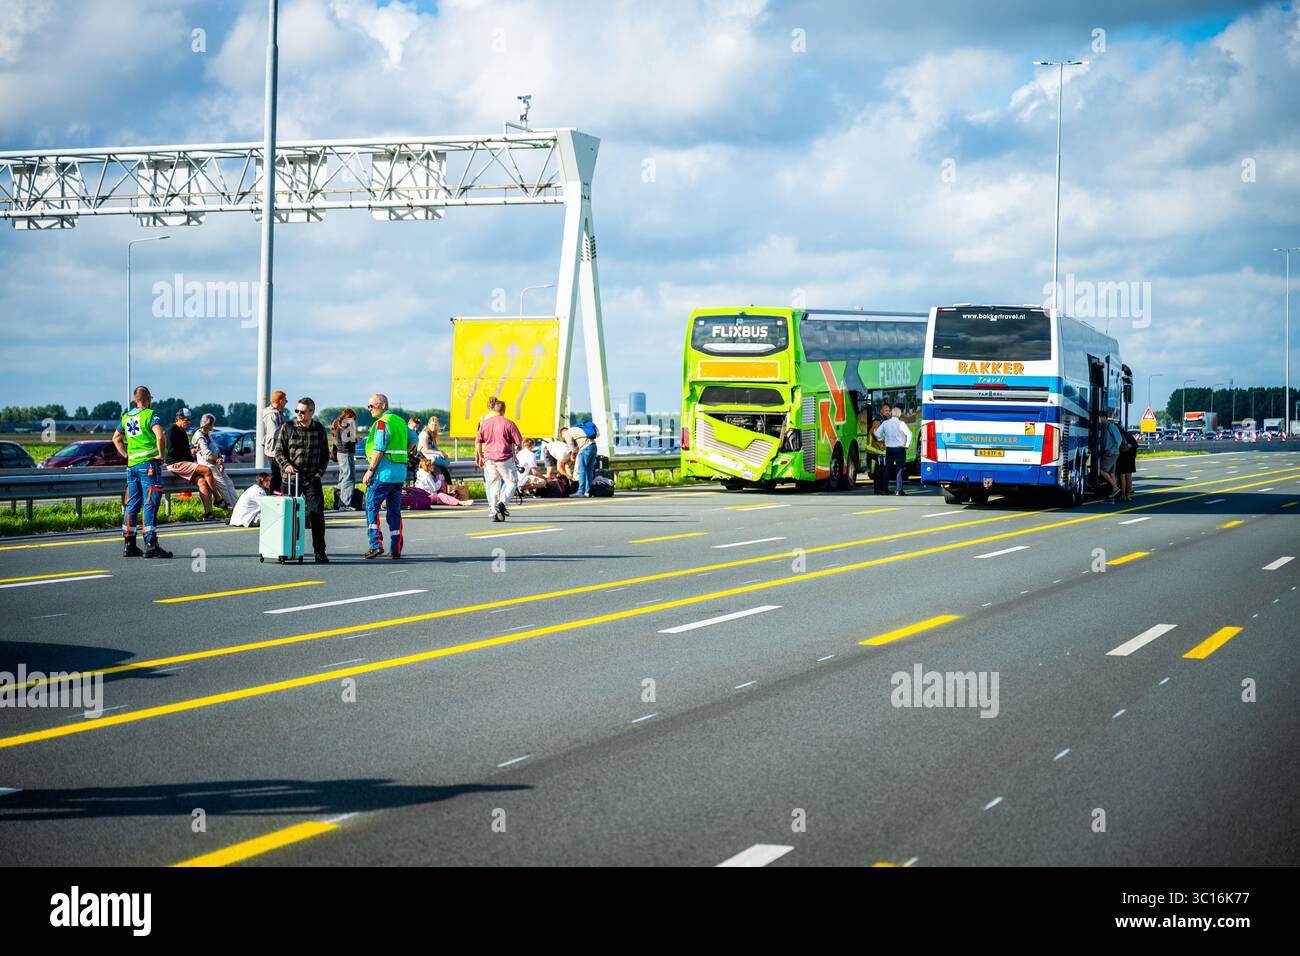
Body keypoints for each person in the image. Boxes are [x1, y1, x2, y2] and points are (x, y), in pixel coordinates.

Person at [112, 385, 172, 558]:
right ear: (148, 398)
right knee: (150, 503)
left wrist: (126, 455)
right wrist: (161, 455)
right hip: (148, 466)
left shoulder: (125, 417)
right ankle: (151, 544)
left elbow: (116, 438)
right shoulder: (150, 415)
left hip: (132, 466)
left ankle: (129, 544)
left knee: (131, 504)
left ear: (135, 399)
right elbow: (160, 436)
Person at [274, 396, 333, 562]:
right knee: (287, 516)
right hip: (291, 478)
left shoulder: (319, 429)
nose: (299, 414)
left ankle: (320, 551)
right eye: (297, 411)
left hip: (311, 478)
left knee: (316, 514)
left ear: (311, 412)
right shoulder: (288, 427)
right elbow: (278, 452)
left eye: (303, 411)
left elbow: (325, 455)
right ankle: (285, 550)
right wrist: (286, 465)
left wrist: (319, 472)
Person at [362, 393, 408, 559]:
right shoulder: (401, 421)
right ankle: (395, 549)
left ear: (382, 406)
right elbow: (414, 439)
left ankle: (375, 544)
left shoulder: (382, 423)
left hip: (383, 474)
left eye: (371, 406)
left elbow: (380, 448)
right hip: (399, 474)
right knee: (394, 512)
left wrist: (371, 470)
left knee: (371, 507)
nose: (369, 410)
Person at [165, 408, 218, 520]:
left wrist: (191, 452)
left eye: (190, 420)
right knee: (207, 470)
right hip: (176, 463)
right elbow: (171, 451)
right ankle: (218, 498)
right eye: (186, 420)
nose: (189, 422)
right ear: (179, 418)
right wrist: (189, 453)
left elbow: (183, 451)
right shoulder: (171, 429)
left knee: (202, 482)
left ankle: (208, 514)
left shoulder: (183, 431)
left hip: (184, 462)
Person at [476, 398, 523, 521]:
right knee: (512, 482)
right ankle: (502, 503)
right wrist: (515, 454)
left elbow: (478, 441)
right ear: (504, 410)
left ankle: (494, 511)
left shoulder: (485, 423)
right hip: (504, 457)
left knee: (494, 483)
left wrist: (480, 456)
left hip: (489, 459)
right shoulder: (509, 423)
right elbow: (518, 442)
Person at [192, 413, 239, 509]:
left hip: (214, 464)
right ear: (208, 424)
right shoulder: (199, 436)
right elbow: (207, 453)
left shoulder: (207, 434)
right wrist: (218, 460)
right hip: (208, 465)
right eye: (212, 424)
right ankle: (232, 507)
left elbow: (215, 448)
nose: (213, 425)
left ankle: (237, 505)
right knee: (222, 485)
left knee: (228, 483)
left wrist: (220, 458)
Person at [874, 406, 912, 496]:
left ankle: (885, 489)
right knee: (899, 469)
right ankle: (899, 490)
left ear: (891, 414)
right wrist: (906, 445)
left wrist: (881, 440)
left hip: (889, 449)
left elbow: (877, 433)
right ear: (899, 414)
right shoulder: (901, 423)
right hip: (899, 449)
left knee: (887, 469)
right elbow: (909, 434)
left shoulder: (885, 423)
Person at [331, 408, 358, 510]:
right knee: (349, 478)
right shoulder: (346, 424)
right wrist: (356, 440)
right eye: (353, 418)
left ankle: (338, 503)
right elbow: (346, 442)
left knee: (342, 478)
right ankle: (345, 504)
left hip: (340, 453)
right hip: (346, 453)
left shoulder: (339, 423)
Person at [261, 390, 288, 492]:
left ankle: (275, 494)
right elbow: (274, 432)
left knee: (278, 474)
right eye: (285, 401)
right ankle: (274, 494)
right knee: (277, 474)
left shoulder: (276, 413)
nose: (286, 403)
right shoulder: (272, 414)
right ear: (280, 401)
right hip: (274, 449)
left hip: (275, 448)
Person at [562, 422, 597, 497]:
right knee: (589, 470)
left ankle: (580, 492)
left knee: (582, 470)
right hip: (594, 446)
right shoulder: (578, 429)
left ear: (562, 434)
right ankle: (587, 492)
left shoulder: (567, 434)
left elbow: (573, 449)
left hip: (585, 448)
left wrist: (573, 455)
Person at [1097, 410, 1123, 500]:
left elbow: (1119, 439)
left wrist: (1112, 450)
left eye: (1100, 418)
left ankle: (1115, 488)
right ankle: (1115, 491)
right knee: (1111, 473)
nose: (1099, 420)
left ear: (1104, 417)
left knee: (1101, 471)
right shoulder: (1104, 427)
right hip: (1110, 453)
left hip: (1111, 453)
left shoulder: (1111, 426)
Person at [1116, 422, 1139, 502]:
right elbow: (1136, 445)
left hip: (1122, 457)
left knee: (1122, 477)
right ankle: (1128, 495)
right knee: (1129, 477)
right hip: (1130, 458)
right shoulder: (1128, 435)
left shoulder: (1117, 435)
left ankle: (1123, 496)